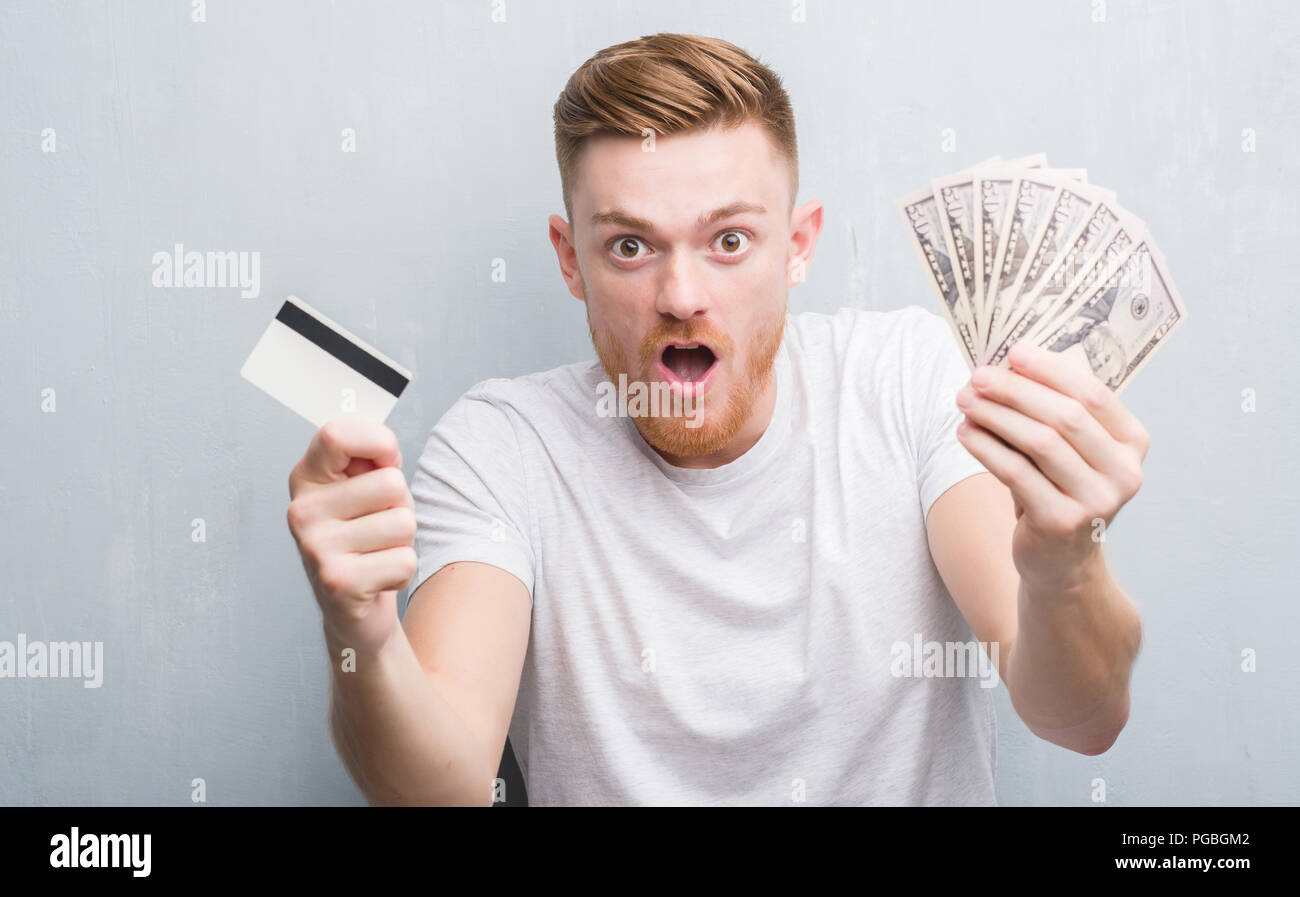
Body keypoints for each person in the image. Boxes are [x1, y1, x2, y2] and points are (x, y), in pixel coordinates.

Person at [285, 33, 1150, 806]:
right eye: (630, 245)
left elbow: (1079, 718)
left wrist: (1067, 566)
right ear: (569, 258)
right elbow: (440, 792)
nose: (682, 297)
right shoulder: (504, 448)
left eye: (729, 240)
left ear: (798, 245)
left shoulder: (907, 380)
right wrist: (357, 626)